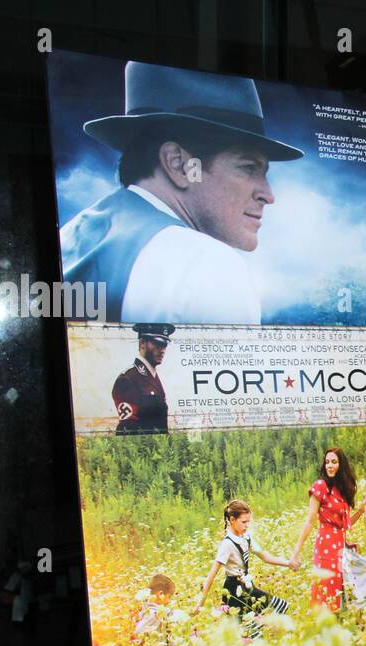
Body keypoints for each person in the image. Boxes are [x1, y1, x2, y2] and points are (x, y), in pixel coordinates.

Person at [61, 60, 304, 324]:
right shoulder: (208, 265)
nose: (268, 195)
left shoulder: (69, 238)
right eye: (247, 167)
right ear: (178, 164)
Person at [193, 500, 294, 636]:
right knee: (248, 631)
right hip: (233, 590)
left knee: (278, 606)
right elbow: (213, 573)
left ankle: (273, 634)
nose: (247, 525)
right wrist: (200, 602)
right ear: (232, 520)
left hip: (247, 586)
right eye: (244, 522)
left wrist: (288, 563)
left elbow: (265, 557)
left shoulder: (246, 538)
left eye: (248, 522)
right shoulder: (227, 544)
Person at [289, 449, 366, 612]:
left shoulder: (342, 491)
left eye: (334, 462)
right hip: (326, 548)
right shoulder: (320, 486)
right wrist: (297, 550)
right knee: (329, 592)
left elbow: (345, 525)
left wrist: (361, 510)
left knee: (359, 580)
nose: (330, 465)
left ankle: (350, 625)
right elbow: (310, 520)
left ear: (341, 465)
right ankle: (325, 630)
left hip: (342, 546)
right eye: (327, 462)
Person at [112, 323, 174, 434]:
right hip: (142, 449)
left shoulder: (153, 377)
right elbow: (127, 429)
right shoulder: (128, 379)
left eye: (164, 345)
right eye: (157, 343)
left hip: (159, 448)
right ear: (142, 343)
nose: (162, 350)